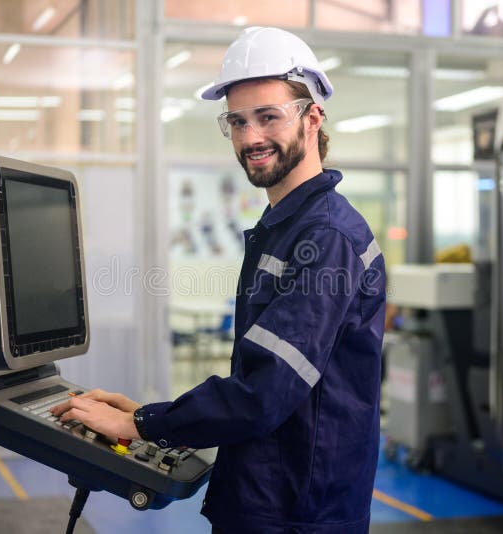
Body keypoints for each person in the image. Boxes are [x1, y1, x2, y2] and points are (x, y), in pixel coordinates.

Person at [52, 26, 386, 533]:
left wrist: (140, 425)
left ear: (313, 117)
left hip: (296, 514)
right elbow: (260, 385)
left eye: (268, 116)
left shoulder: (326, 237)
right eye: (237, 120)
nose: (250, 137)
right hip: (270, 499)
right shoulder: (286, 229)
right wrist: (151, 415)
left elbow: (263, 394)